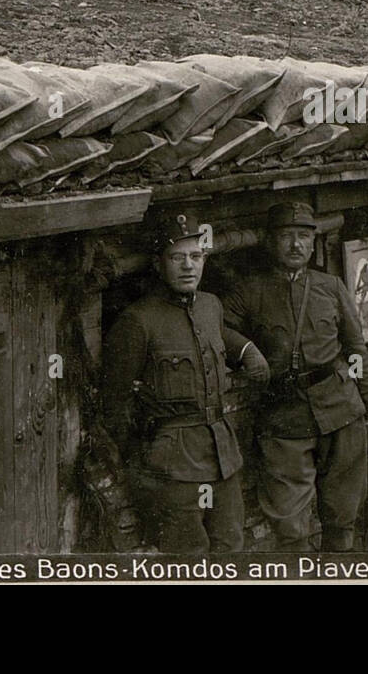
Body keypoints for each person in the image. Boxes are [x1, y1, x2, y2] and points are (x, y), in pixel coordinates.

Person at [101, 209, 271, 553]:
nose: (188, 266)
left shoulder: (210, 305)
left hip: (222, 458)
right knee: (187, 559)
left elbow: (216, 335)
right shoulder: (138, 321)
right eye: (177, 257)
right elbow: (113, 402)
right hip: (172, 468)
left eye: (196, 256)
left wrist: (249, 349)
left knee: (230, 549)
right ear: (158, 263)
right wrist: (144, 461)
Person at [223, 201, 368, 551]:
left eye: (304, 237)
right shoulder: (250, 290)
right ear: (270, 242)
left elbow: (356, 350)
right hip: (284, 418)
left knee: (342, 518)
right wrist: (247, 350)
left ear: (313, 242)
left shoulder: (331, 286)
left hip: (341, 410)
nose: (296, 245)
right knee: (290, 526)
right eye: (286, 236)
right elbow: (216, 325)